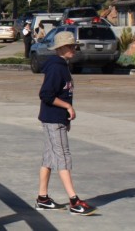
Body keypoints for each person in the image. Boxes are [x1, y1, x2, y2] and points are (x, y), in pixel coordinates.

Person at [36, 31, 96, 216]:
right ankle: (74, 201)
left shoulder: (61, 65)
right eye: (71, 46)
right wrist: (67, 107)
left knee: (49, 158)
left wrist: (66, 114)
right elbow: (46, 95)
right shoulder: (56, 68)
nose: (74, 49)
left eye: (74, 46)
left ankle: (42, 198)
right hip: (53, 119)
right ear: (61, 48)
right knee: (63, 157)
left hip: (55, 118)